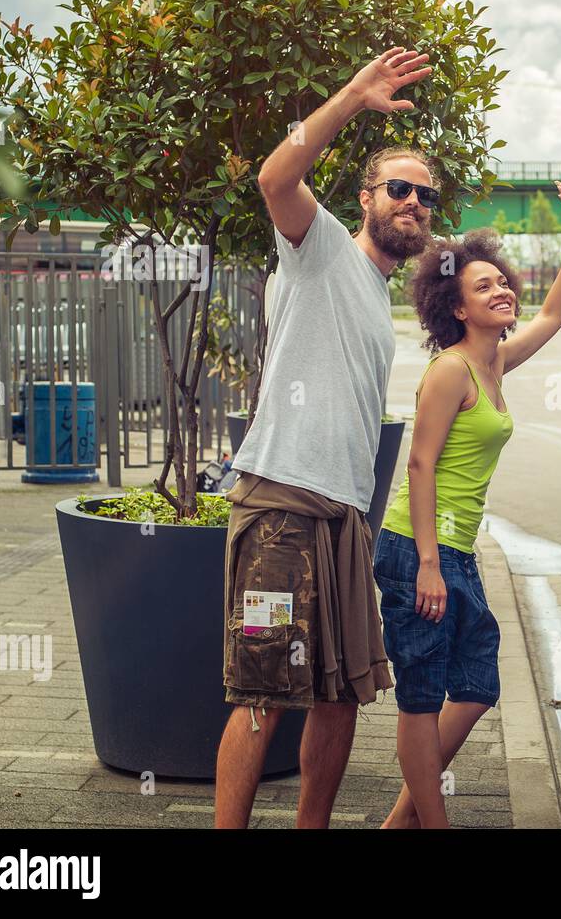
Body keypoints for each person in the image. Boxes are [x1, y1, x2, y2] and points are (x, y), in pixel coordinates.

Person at [214, 47, 437, 829]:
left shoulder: (379, 297)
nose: (414, 202)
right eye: (400, 188)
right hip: (279, 509)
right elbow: (275, 178)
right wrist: (353, 94)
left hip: (343, 523)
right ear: (366, 197)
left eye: (426, 197)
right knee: (262, 695)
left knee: (341, 695)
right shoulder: (322, 249)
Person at [374, 180, 561, 828]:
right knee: (420, 695)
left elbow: (549, 318)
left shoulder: (492, 361)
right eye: (484, 286)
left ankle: (397, 823)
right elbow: (418, 464)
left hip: (454, 550)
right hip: (419, 550)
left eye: (504, 281)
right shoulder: (450, 370)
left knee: (473, 686)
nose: (503, 291)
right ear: (457, 308)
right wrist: (430, 562)